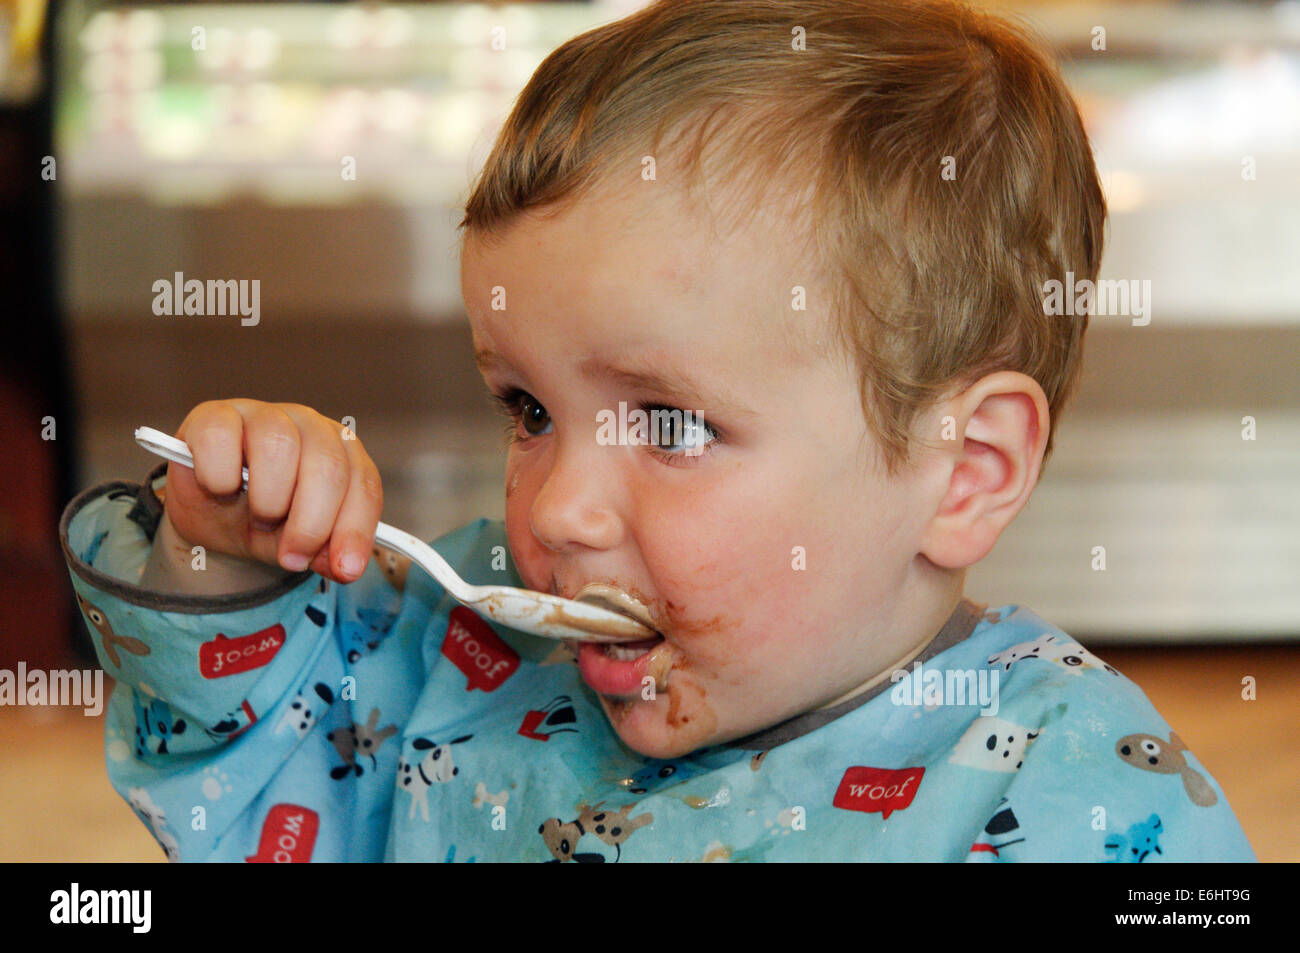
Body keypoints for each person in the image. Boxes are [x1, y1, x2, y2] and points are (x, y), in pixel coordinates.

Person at [59, 0, 1254, 861]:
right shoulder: (467, 650)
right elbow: (247, 777)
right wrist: (222, 557)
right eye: (529, 410)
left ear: (964, 468)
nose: (557, 509)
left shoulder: (1069, 793)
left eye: (671, 423)